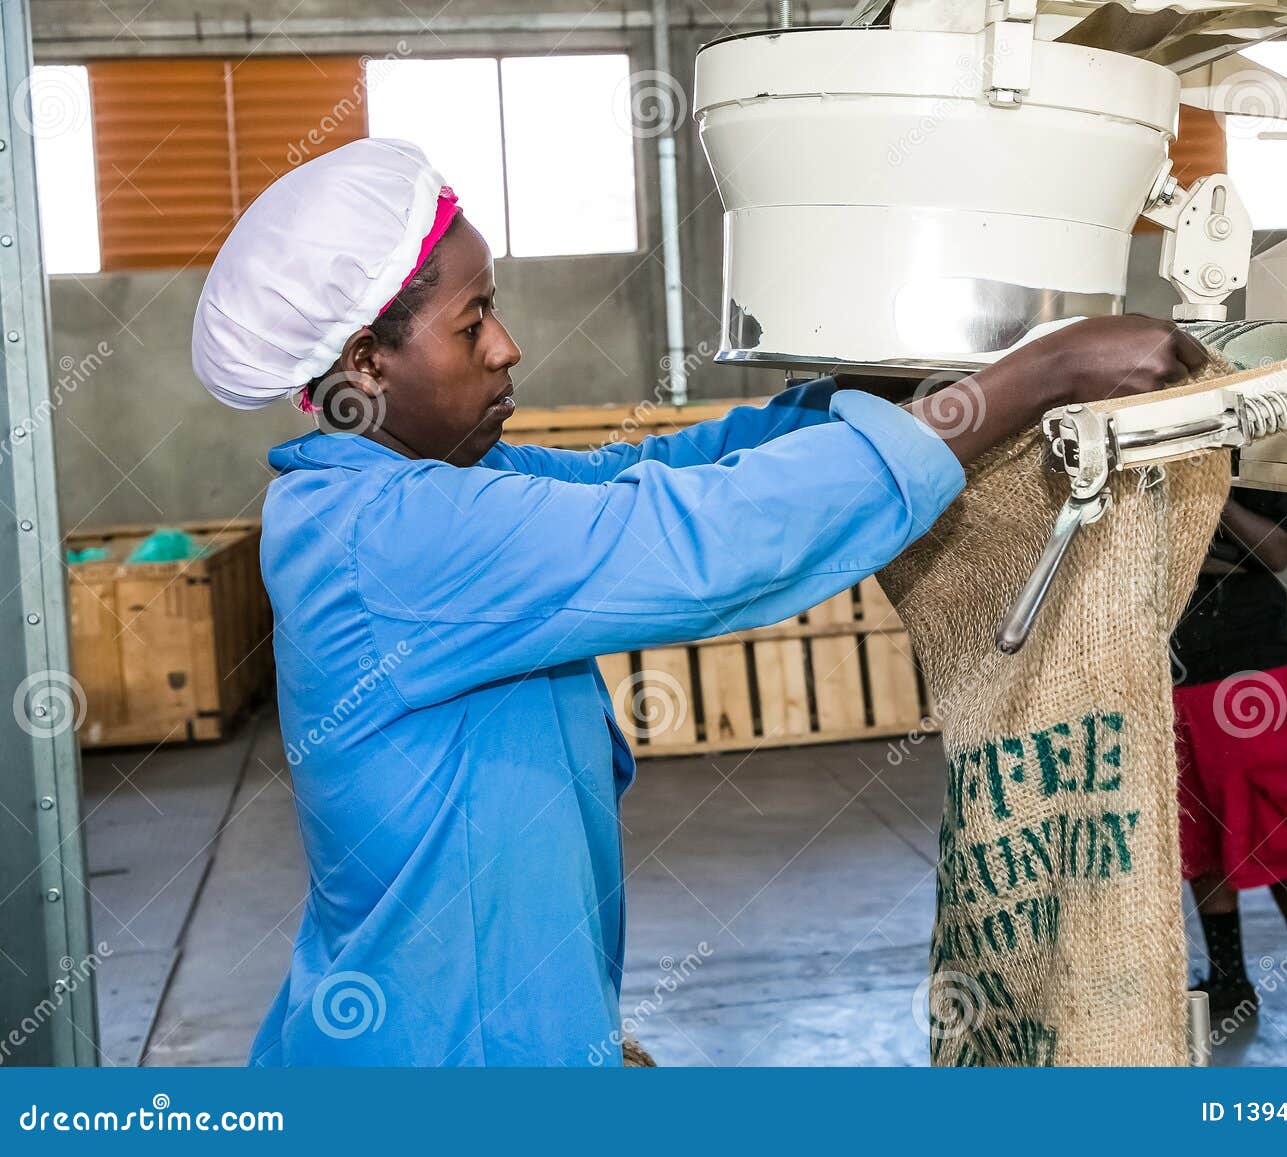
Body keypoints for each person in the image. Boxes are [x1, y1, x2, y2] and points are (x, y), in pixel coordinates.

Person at [191, 137, 1210, 1066]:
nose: (506, 345)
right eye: (471, 322)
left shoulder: (411, 490)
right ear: (367, 362)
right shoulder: (392, 539)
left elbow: (656, 470)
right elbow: (698, 537)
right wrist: (1032, 378)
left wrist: (852, 391)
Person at [1170, 486, 1287, 1044]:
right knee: (1196, 827)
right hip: (1172, 664)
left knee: (1276, 824)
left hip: (1249, 668)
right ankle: (1229, 981)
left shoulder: (1255, 454)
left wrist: (1210, 493)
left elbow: (1277, 553)